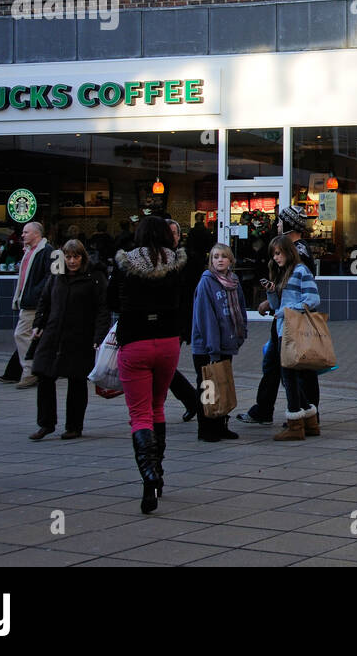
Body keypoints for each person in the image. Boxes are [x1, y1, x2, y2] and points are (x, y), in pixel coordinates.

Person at [107, 215, 188, 513]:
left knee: (139, 414)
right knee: (158, 407)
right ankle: (160, 473)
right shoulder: (176, 263)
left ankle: (148, 476)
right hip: (167, 341)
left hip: (134, 341)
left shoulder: (126, 263)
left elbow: (111, 301)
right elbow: (184, 300)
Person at [29, 240, 108, 440]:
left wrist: (99, 337)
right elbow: (45, 300)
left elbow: (102, 309)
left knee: (76, 380)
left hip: (80, 335)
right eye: (68, 257)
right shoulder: (57, 276)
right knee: (45, 375)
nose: (72, 261)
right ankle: (46, 423)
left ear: (83, 257)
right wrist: (38, 323)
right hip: (53, 333)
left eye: (76, 257)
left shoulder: (94, 277)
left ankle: (74, 425)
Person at [262, 208, 323, 441]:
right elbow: (278, 304)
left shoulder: (299, 270)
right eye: (273, 254)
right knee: (289, 375)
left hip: (295, 329)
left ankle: (297, 423)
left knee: (290, 375)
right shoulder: (282, 273)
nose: (276, 258)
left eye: (278, 254)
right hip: (283, 329)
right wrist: (271, 295)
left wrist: (289, 311)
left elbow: (312, 299)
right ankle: (308, 418)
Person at [191, 243, 248, 442]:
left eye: (223, 256)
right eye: (215, 257)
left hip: (226, 344)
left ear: (230, 260)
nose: (220, 260)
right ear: (211, 261)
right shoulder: (206, 283)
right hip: (207, 347)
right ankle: (206, 428)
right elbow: (206, 318)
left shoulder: (233, 281)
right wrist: (212, 349)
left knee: (222, 385)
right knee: (208, 387)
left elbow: (240, 308)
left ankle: (221, 425)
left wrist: (241, 334)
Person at [0, 221, 54, 387]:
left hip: (34, 303)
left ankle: (30, 371)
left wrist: (36, 293)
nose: (22, 235)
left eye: (26, 232)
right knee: (33, 337)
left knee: (21, 334)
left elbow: (50, 276)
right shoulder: (31, 252)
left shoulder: (46, 251)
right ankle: (36, 370)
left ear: (36, 234)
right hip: (28, 302)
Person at [166, 219, 201, 423]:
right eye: (168, 232)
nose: (172, 236)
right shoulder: (153, 260)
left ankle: (190, 399)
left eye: (175, 233)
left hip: (179, 319)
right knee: (164, 366)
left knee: (166, 365)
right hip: (159, 319)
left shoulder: (188, 259)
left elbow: (194, 292)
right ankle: (190, 399)